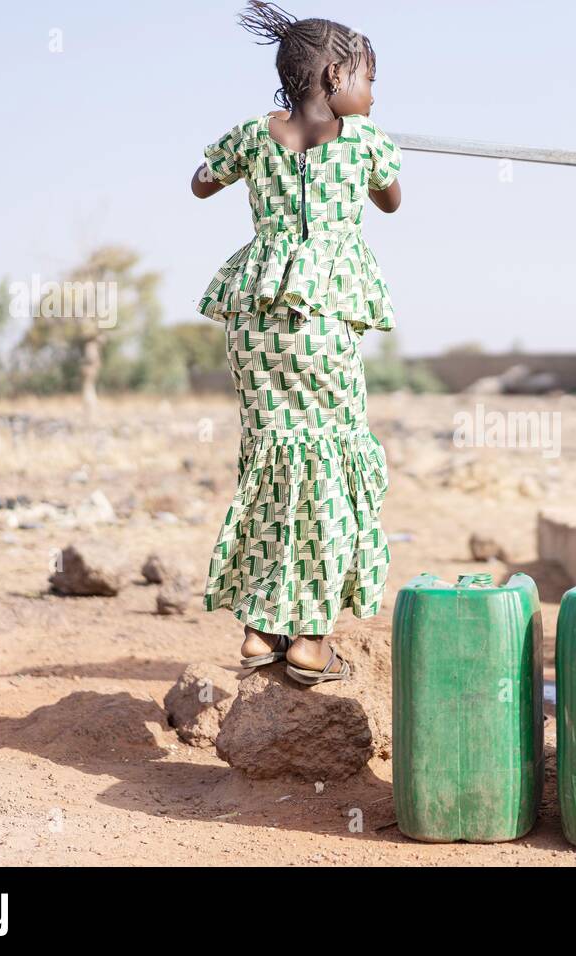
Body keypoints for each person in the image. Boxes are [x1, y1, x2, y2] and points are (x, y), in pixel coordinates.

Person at [190, 2, 402, 684]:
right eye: (369, 79)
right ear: (336, 75)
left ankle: (259, 630)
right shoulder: (364, 141)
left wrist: (250, 154)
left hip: (256, 320)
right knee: (329, 467)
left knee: (271, 463)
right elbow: (391, 200)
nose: (374, 94)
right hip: (321, 320)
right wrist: (366, 141)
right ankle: (310, 639)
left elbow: (201, 184)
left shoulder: (254, 136)